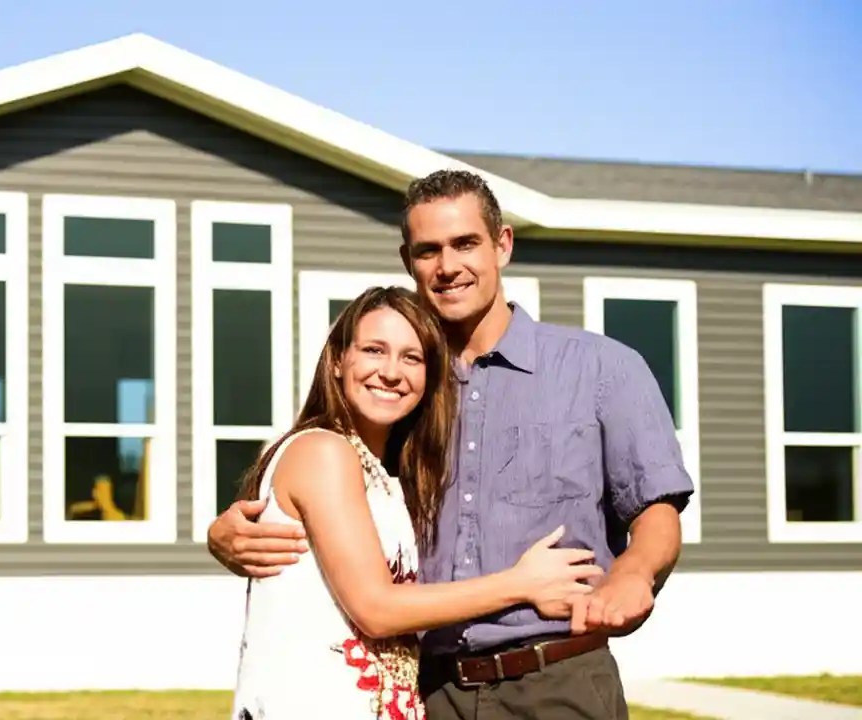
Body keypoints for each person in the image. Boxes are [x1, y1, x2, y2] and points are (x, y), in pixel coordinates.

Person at [211, 170, 695, 719]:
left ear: (502, 245)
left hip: (556, 679)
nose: (447, 266)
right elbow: (331, 493)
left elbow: (656, 507)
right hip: (431, 689)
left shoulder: (602, 368)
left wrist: (634, 573)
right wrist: (231, 531)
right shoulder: (404, 391)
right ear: (408, 260)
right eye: (428, 250)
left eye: (465, 243)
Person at [229, 285, 605, 720]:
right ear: (337, 360)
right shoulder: (323, 451)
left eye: (412, 358)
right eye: (374, 350)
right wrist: (522, 584)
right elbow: (376, 609)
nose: (391, 372)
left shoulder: (380, 469)